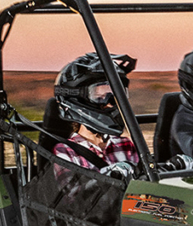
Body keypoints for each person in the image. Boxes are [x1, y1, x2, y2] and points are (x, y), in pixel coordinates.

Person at [53, 52, 139, 181]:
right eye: (100, 96)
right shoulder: (66, 152)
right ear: (78, 99)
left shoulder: (125, 144)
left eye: (114, 96)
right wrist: (110, 177)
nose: (110, 104)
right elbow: (71, 196)